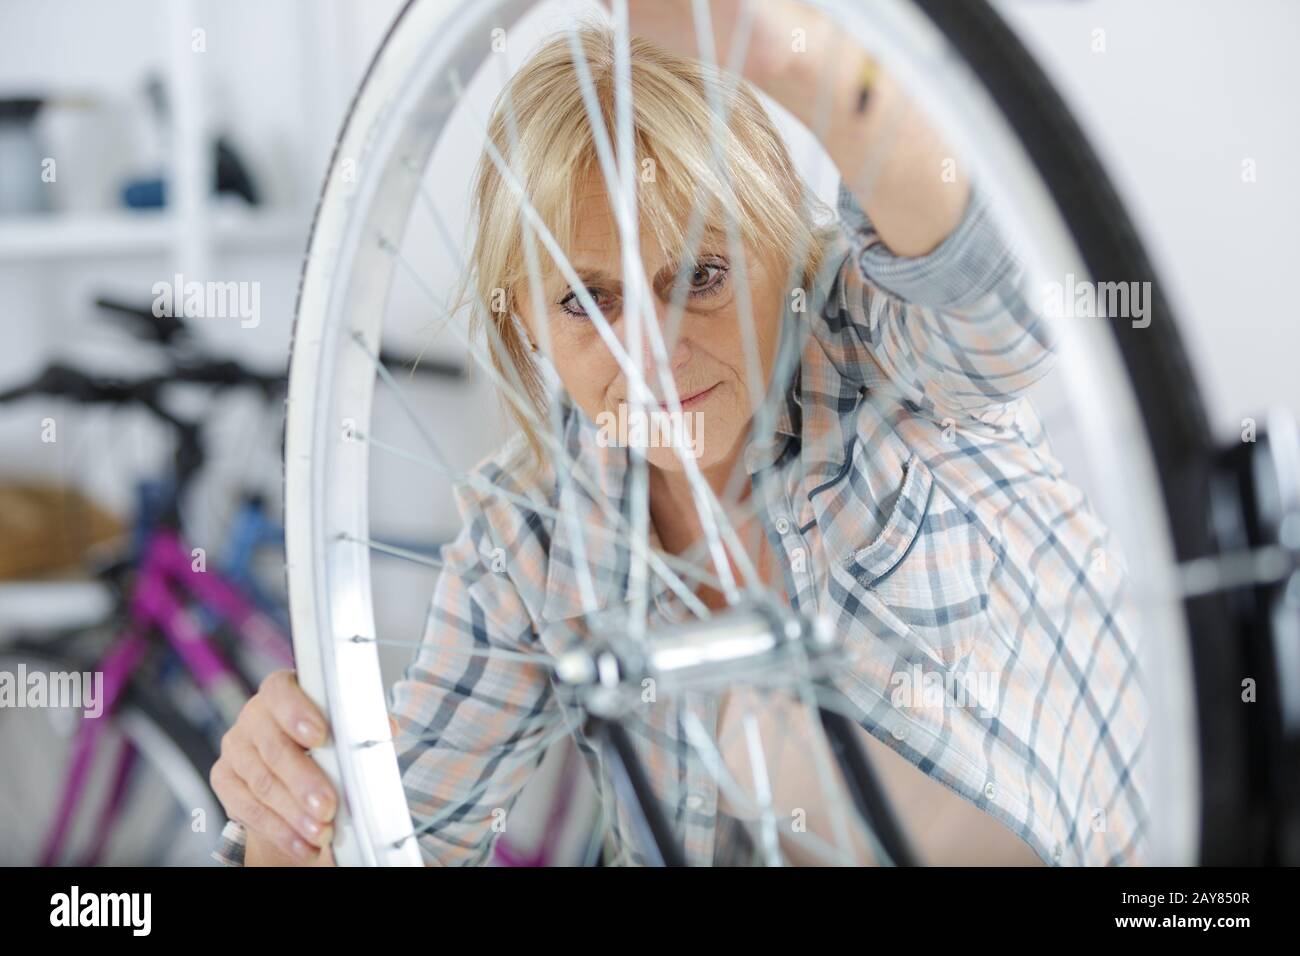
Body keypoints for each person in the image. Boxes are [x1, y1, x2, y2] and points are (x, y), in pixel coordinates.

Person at [211, 1, 1144, 866]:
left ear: (785, 250)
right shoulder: (531, 533)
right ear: (525, 324)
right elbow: (396, 839)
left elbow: (998, 311)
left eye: (699, 275)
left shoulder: (873, 346)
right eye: (587, 301)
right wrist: (285, 814)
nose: (651, 357)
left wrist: (800, 63)